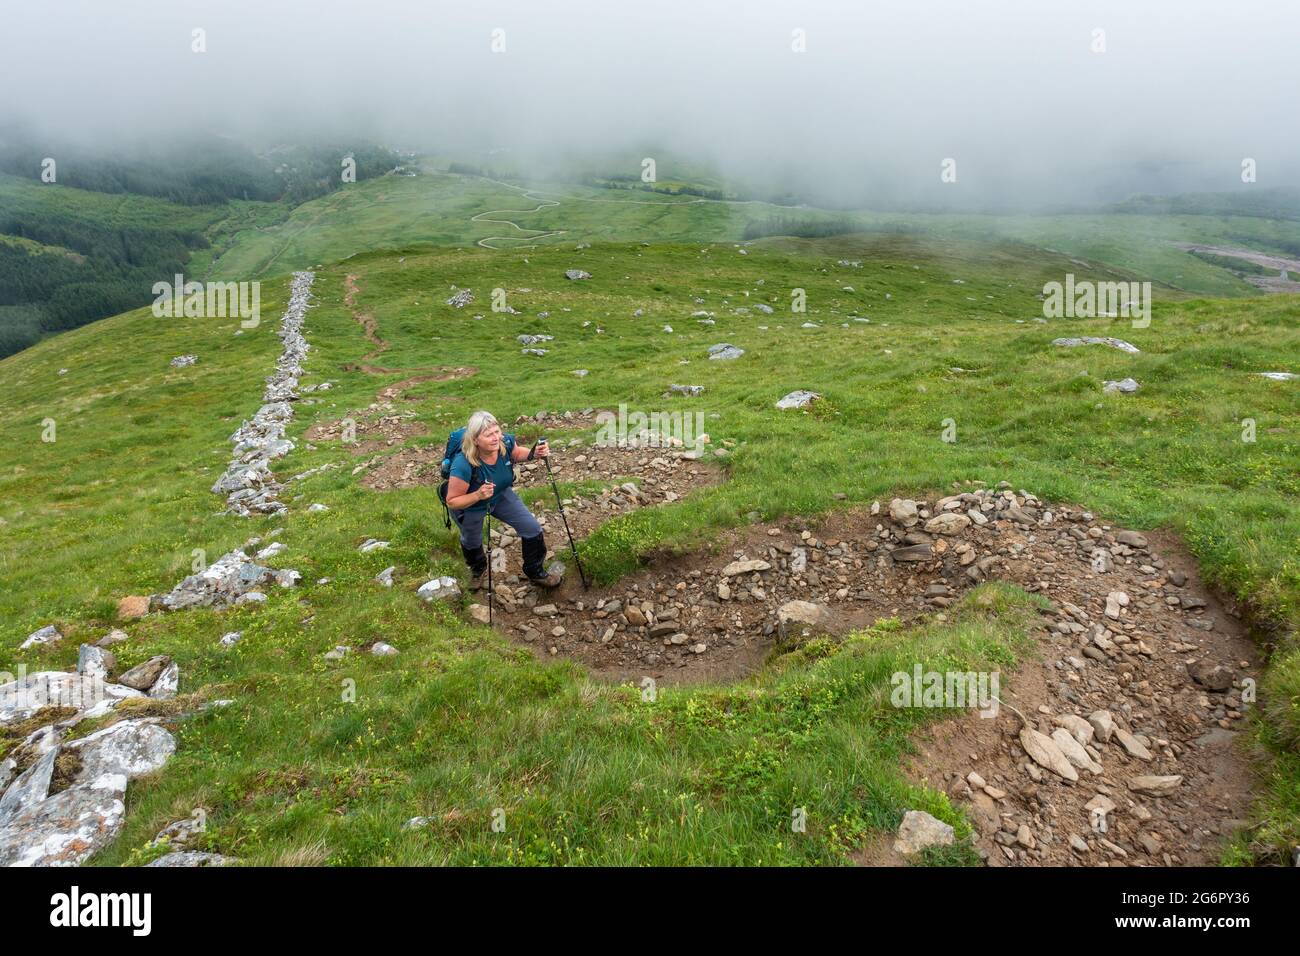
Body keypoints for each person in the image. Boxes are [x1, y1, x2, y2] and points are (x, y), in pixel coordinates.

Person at [445, 410, 563, 588]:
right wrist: (478, 495)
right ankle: (477, 570)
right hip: (470, 505)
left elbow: (516, 453)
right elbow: (452, 500)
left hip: (500, 494)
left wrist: (534, 454)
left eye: (497, 432)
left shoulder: (505, 443)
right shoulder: (463, 463)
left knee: (531, 528)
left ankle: (535, 571)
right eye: (488, 435)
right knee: (472, 540)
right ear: (475, 440)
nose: (495, 438)